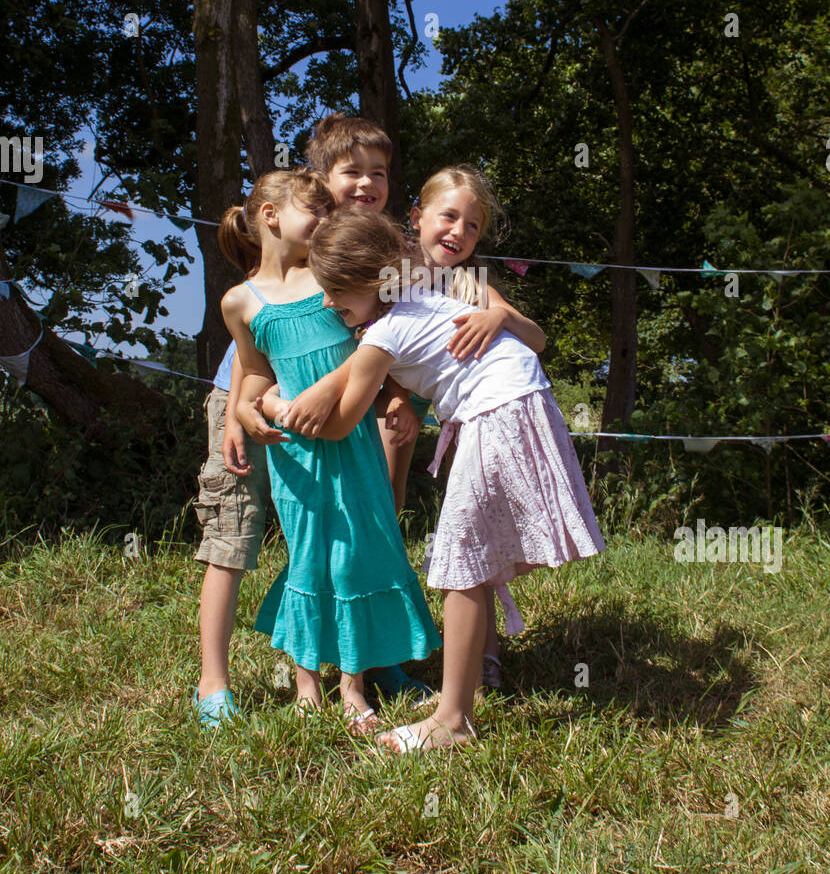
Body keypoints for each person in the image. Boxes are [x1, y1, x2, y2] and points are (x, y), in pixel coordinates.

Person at [272, 207, 606, 753]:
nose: (328, 303)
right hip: (520, 398)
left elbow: (337, 426)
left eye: (335, 291)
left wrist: (277, 407)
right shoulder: (415, 299)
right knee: (467, 558)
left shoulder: (383, 333)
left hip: (497, 408)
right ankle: (464, 689)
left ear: (368, 283)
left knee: (462, 562)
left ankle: (453, 721)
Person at [221, 169, 440, 733]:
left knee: (359, 549)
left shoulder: (329, 280)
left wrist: (397, 399)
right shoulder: (239, 302)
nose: (324, 220)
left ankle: (355, 684)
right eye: (312, 209)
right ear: (270, 215)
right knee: (309, 554)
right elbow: (250, 374)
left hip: (352, 439)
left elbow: (376, 344)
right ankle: (306, 685)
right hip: (294, 450)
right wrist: (247, 413)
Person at [303, 112, 436, 702]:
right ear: (321, 177)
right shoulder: (309, 248)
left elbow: (397, 338)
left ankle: (382, 657)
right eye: (351, 171)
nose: (366, 184)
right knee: (333, 538)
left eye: (377, 173)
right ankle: (328, 661)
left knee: (384, 524)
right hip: (327, 416)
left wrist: (402, 398)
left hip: (380, 410)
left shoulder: (395, 251)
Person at [401, 164, 547, 692]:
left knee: (474, 544)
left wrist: (500, 317)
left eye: (473, 226)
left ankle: (485, 658)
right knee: (464, 541)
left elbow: (538, 339)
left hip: (484, 420)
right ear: (417, 217)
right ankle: (419, 649)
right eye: (449, 217)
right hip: (423, 412)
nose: (458, 233)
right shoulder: (391, 272)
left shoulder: (471, 283)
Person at [192, 321, 271, 728]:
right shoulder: (282, 262)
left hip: (317, 398)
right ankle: (212, 683)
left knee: (330, 534)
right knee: (231, 534)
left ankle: (367, 660)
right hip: (243, 399)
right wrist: (238, 416)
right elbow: (250, 328)